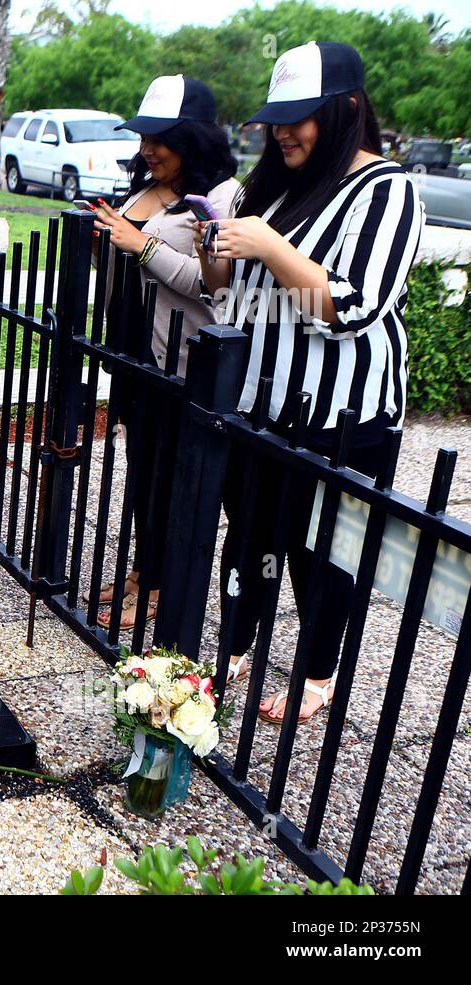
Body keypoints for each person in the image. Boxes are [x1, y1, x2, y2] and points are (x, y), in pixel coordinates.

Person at [195, 42, 424, 723]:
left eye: (301, 117)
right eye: (276, 119)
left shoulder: (388, 191)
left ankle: (318, 674)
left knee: (326, 556)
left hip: (344, 417)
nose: (283, 132)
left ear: (347, 109)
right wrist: (218, 254)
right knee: (251, 534)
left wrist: (270, 246)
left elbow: (352, 307)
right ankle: (237, 643)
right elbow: (229, 300)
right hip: (265, 406)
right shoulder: (276, 187)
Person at [89, 75, 241, 630]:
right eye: (144, 137)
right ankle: (143, 569)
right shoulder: (144, 188)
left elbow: (215, 287)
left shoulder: (221, 198)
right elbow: (127, 266)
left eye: (162, 139)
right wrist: (108, 244)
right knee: (142, 467)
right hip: (132, 351)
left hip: (178, 361)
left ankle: (161, 582)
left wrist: (141, 245)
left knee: (171, 477)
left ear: (194, 139)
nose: (148, 149)